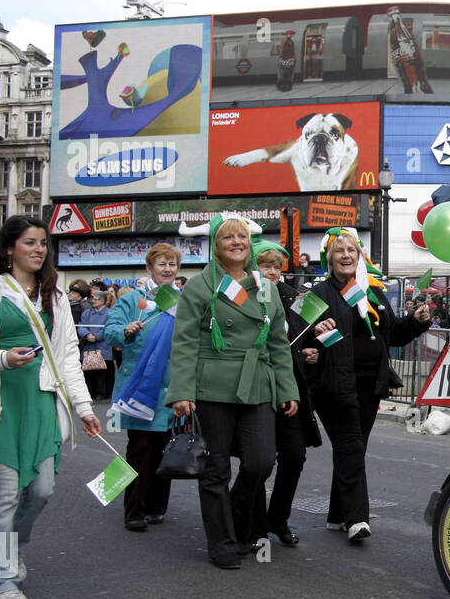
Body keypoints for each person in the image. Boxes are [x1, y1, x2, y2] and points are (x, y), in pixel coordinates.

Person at [0, 215, 100, 599]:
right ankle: (0, 581)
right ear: (9, 247)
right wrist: (0, 358)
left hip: (41, 403)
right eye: (30, 242)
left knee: (42, 490)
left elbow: (67, 357)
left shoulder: (56, 296)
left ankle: (13, 549)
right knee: (4, 496)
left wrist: (83, 407)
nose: (38, 249)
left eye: (43, 243)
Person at [167, 216, 300, 569]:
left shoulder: (266, 288)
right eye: (228, 237)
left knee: (259, 462)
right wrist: (182, 391)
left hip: (257, 383)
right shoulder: (198, 287)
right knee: (216, 469)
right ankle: (222, 542)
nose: (237, 242)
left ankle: (238, 526)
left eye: (242, 235)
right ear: (215, 244)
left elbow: (277, 343)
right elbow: (183, 343)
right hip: (212, 386)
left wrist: (288, 390)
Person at [308, 228, 430, 540]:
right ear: (330, 258)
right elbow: (299, 332)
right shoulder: (318, 294)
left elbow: (393, 336)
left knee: (352, 450)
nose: (346, 255)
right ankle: (357, 519)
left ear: (360, 255)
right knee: (350, 446)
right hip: (333, 384)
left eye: (351, 250)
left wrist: (416, 320)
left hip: (370, 386)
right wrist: (315, 335)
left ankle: (337, 514)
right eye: (339, 251)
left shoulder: (371, 293)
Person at [105, 242, 182, 532]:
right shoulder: (132, 300)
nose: (167, 269)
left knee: (164, 448)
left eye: (172, 264)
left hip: (170, 386)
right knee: (139, 449)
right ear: (149, 268)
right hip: (138, 387)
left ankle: (156, 506)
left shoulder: (181, 300)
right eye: (161, 264)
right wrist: (125, 331)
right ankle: (133, 509)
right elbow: (111, 332)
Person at [251, 240, 322, 547]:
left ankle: (277, 518)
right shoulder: (245, 296)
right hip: (257, 390)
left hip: (290, 388)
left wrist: (310, 350)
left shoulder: (292, 296)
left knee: (294, 456)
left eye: (277, 267)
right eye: (266, 266)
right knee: (258, 462)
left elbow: (302, 334)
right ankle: (252, 524)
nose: (272, 273)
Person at [78, 289, 115, 400]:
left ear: (103, 301)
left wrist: (97, 337)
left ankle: (102, 393)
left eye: (96, 299)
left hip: (103, 346)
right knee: (88, 373)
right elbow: (81, 325)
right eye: (92, 298)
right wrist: (87, 335)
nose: (93, 301)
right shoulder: (86, 313)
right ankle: (90, 393)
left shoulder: (110, 313)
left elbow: (109, 327)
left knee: (102, 373)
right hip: (89, 346)